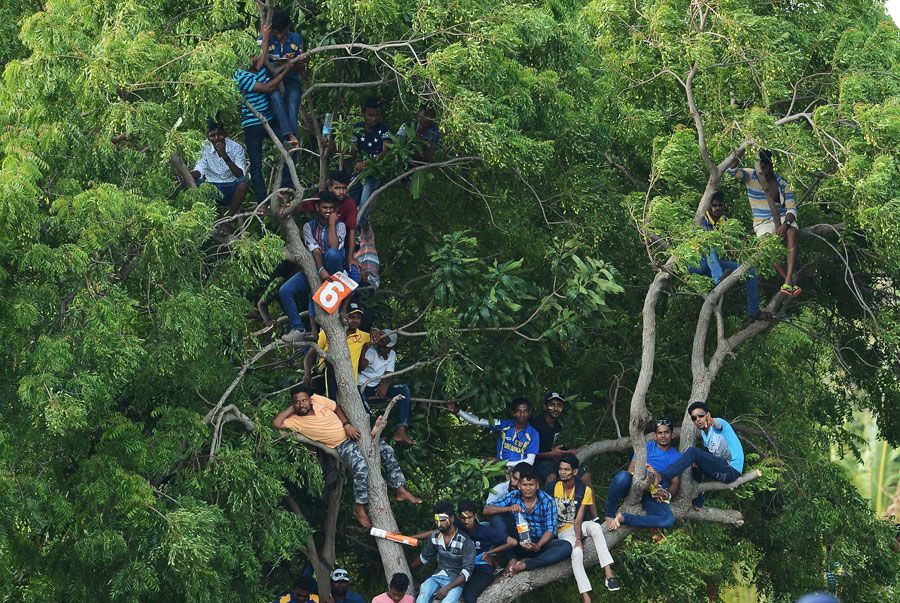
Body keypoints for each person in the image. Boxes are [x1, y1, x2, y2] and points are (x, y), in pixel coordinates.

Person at [272, 385, 420, 528]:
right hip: (342, 444)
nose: (301, 404)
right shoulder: (295, 421)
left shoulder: (317, 400)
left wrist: (347, 425)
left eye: (304, 400)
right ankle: (359, 507)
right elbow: (277, 423)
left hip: (353, 432)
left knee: (387, 450)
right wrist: (294, 406)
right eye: (297, 402)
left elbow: (336, 408)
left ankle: (399, 488)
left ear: (310, 399)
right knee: (361, 467)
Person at [233, 39, 301, 201]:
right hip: (252, 122)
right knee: (256, 164)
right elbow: (268, 87)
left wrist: (293, 62)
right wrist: (286, 71)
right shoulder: (239, 74)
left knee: (293, 148)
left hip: (270, 119)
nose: (257, 58)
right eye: (252, 56)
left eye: (257, 55)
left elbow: (273, 68)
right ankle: (262, 201)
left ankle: (285, 189)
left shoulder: (262, 67)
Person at [727, 150, 801, 296]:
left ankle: (788, 280)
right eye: (761, 165)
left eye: (766, 165)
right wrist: (741, 151)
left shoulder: (782, 182)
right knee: (766, 246)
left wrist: (785, 224)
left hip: (782, 218)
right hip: (762, 222)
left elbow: (791, 208)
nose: (763, 168)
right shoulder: (750, 175)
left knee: (792, 233)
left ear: (771, 165)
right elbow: (731, 171)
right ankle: (789, 281)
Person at [688, 191, 770, 321]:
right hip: (697, 264)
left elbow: (733, 242)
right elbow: (707, 243)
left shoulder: (724, 221)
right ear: (709, 205)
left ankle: (754, 312)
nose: (717, 208)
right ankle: (717, 280)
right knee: (710, 242)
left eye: (720, 205)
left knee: (751, 270)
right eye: (714, 205)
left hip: (714, 265)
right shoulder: (702, 221)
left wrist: (754, 232)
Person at [546, 454, 619, 597]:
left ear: (574, 471)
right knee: (577, 553)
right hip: (563, 531)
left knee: (596, 527)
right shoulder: (553, 486)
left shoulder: (584, 490)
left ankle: (608, 573)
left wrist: (579, 538)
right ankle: (586, 596)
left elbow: (579, 518)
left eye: (566, 469)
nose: (562, 472)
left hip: (577, 526)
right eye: (560, 469)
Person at [279, 192, 347, 344]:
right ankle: (298, 328)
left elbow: (335, 247)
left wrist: (331, 224)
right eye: (324, 207)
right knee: (285, 290)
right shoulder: (308, 226)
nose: (328, 211)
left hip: (335, 271)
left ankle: (332, 292)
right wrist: (321, 269)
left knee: (333, 253)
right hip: (316, 268)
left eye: (331, 208)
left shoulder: (340, 225)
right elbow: (314, 250)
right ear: (317, 207)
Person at [482, 463, 572, 577]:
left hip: (538, 543)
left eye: (531, 485)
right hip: (516, 542)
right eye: (525, 485)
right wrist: (508, 508)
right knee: (497, 517)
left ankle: (526, 564)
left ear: (537, 485)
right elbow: (486, 510)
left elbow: (551, 530)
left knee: (565, 546)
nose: (528, 488)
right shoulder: (513, 495)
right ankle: (511, 559)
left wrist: (537, 545)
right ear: (519, 485)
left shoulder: (547, 500)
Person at [650, 402, 744, 509]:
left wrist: (712, 421)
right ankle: (698, 501)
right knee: (695, 463)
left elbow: (717, 423)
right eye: (694, 418)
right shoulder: (705, 434)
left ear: (707, 415)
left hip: (731, 470)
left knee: (692, 452)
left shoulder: (719, 424)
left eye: (701, 415)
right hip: (721, 471)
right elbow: (709, 456)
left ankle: (662, 477)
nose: (698, 419)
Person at [605, 419, 681, 531]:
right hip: (637, 483)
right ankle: (610, 514)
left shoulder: (676, 456)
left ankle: (624, 518)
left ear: (672, 435)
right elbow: (631, 469)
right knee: (622, 476)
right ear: (655, 436)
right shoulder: (646, 447)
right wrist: (648, 476)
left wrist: (667, 494)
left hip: (654, 493)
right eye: (660, 433)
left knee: (668, 520)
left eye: (666, 432)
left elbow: (675, 483)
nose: (663, 436)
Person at [303, 303, 377, 398]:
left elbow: (385, 339)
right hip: (324, 372)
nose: (355, 321)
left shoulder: (363, 336)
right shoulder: (327, 333)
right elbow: (309, 356)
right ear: (344, 316)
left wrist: (375, 330)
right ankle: (331, 398)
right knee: (331, 363)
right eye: (352, 317)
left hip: (348, 380)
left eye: (358, 318)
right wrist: (307, 373)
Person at [410, 501, 475, 603]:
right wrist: (409, 569)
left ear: (452, 518)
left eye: (443, 520)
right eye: (437, 520)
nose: (439, 524)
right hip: (437, 577)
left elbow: (467, 572)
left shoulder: (465, 541)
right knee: (422, 596)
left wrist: (447, 588)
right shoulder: (435, 536)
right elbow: (424, 558)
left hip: (455, 582)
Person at [357, 330, 415, 445]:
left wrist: (385, 385)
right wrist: (364, 350)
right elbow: (361, 367)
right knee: (361, 405)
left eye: (385, 347)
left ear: (391, 347)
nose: (382, 348)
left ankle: (401, 431)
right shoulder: (372, 351)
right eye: (380, 344)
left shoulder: (392, 354)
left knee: (403, 389)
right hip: (362, 386)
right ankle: (372, 433)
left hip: (377, 387)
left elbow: (389, 374)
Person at [447, 398, 540, 467]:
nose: (522, 415)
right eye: (518, 411)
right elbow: (478, 421)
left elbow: (529, 461)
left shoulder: (533, 434)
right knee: (475, 463)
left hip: (519, 472)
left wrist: (503, 463)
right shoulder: (504, 424)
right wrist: (457, 411)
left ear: (529, 413)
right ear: (513, 413)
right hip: (498, 469)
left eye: (525, 411)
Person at [455, 500, 517, 603]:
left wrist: (488, 553)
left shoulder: (485, 531)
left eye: (469, 518)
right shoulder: (457, 526)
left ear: (475, 516)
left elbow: (513, 542)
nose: (466, 521)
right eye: (463, 518)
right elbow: (438, 532)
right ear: (458, 517)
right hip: (462, 568)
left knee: (469, 596)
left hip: (481, 569)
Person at [260, 10, 305, 141]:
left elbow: (301, 64)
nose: (279, 36)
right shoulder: (264, 40)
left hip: (291, 78)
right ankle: (288, 136)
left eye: (282, 32)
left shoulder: (295, 38)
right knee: (275, 97)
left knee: (292, 105)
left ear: (287, 29)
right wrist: (287, 66)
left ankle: (292, 143)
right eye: (276, 33)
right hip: (271, 80)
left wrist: (296, 63)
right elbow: (258, 63)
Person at [189, 121, 248, 216]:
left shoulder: (236, 147)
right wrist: (189, 175)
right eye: (212, 136)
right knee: (191, 182)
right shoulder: (204, 148)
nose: (216, 138)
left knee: (243, 183)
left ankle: (228, 217)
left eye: (219, 135)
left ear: (224, 134)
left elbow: (240, 174)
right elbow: (200, 169)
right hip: (212, 188)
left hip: (231, 187)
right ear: (208, 137)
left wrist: (225, 156)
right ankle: (207, 215)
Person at [348, 97, 391, 225]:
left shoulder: (384, 130)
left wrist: (367, 164)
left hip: (375, 171)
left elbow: (386, 151)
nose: (374, 118)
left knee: (366, 192)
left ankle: (360, 224)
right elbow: (352, 152)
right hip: (358, 173)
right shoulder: (356, 128)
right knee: (348, 197)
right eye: (370, 115)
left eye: (376, 115)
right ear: (363, 114)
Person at [531, 392, 587, 484]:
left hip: (554, 459)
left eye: (559, 405)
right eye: (552, 405)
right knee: (552, 478)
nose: (556, 409)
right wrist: (552, 454)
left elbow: (557, 447)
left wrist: (569, 451)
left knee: (584, 476)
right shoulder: (536, 425)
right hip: (538, 462)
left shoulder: (558, 425)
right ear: (545, 407)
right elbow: (531, 453)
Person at [485, 462, 525, 537]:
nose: (514, 483)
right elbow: (487, 512)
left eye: (519, 481)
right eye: (514, 478)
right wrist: (509, 508)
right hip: (502, 526)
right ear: (511, 475)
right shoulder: (498, 490)